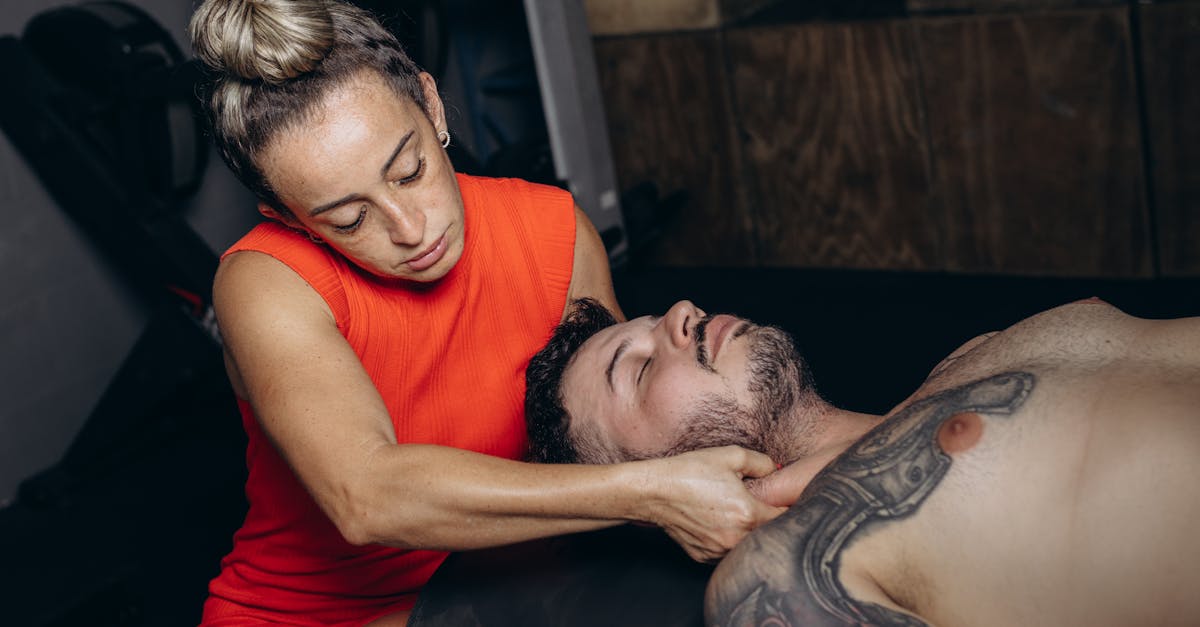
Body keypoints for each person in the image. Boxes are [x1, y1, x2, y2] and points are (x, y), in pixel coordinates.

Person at [188, 1, 782, 624]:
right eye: (351, 219)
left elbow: (615, 441)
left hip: (503, 596)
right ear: (287, 217)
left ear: (432, 104)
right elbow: (365, 498)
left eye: (409, 170)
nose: (411, 229)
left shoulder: (556, 232)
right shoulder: (264, 281)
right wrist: (655, 496)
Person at [522, 296, 1200, 626]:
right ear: (649, 489)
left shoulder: (970, 355)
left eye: (650, 324)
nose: (680, 311)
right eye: (637, 371)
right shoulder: (785, 579)